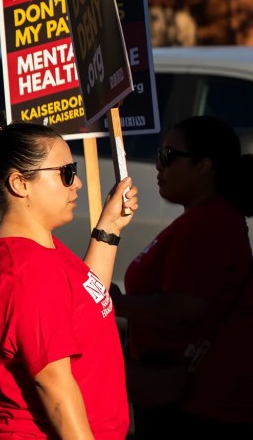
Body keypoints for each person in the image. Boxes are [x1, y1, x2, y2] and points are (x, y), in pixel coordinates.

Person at [0, 111, 137, 439]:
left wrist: (109, 227)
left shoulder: (38, 249)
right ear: (20, 184)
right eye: (66, 173)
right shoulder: (27, 271)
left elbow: (87, 298)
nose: (76, 182)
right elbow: (55, 389)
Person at [113, 115, 253, 438]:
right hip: (182, 398)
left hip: (201, 406)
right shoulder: (201, 219)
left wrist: (116, 304)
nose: (158, 166)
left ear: (204, 167)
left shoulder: (212, 223)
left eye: (168, 157)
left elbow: (184, 308)